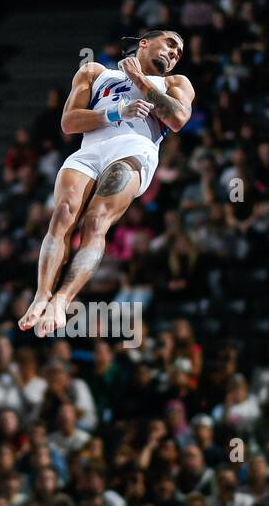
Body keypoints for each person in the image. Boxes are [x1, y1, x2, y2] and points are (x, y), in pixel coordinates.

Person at [20, 30, 194, 336]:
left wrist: (140, 81)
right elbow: (68, 122)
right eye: (169, 43)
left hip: (133, 150)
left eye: (179, 52)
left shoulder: (175, 83)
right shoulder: (94, 71)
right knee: (62, 214)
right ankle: (42, 294)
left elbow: (178, 120)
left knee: (96, 220)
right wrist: (116, 111)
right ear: (144, 42)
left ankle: (63, 298)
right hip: (90, 150)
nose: (174, 52)